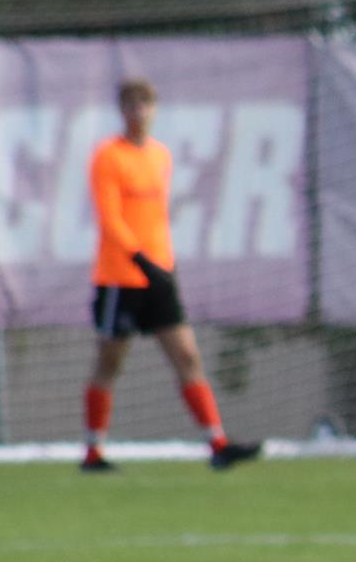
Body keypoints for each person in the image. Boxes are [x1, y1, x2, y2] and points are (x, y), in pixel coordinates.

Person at [81, 77, 261, 473]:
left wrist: (164, 264)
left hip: (160, 276)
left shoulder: (160, 156)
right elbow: (110, 218)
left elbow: (156, 218)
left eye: (145, 104)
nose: (139, 112)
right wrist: (139, 260)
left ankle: (217, 444)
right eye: (131, 105)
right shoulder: (108, 157)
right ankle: (93, 451)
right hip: (120, 278)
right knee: (110, 362)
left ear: (154, 109)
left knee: (187, 356)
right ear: (121, 111)